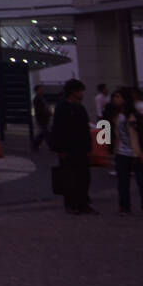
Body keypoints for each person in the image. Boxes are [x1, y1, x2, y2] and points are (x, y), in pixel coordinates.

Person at [49, 79, 97, 215]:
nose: (82, 94)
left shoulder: (80, 107)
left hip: (81, 149)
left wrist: (88, 147)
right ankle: (71, 204)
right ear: (73, 92)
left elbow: (85, 128)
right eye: (80, 91)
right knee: (69, 177)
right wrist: (60, 149)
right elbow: (57, 129)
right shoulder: (62, 107)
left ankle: (83, 203)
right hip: (68, 149)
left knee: (84, 177)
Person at [109, 89, 143, 216]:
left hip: (135, 153)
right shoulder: (115, 115)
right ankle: (124, 207)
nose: (115, 99)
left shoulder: (134, 115)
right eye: (114, 96)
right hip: (121, 153)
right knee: (122, 182)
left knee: (142, 182)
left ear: (125, 99)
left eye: (118, 96)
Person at [30, 84, 52, 152]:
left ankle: (35, 145)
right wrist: (48, 113)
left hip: (43, 118)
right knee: (46, 133)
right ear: (37, 91)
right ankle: (51, 146)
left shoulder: (40, 98)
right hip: (42, 118)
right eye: (40, 89)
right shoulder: (38, 99)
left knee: (43, 133)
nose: (42, 90)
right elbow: (41, 110)